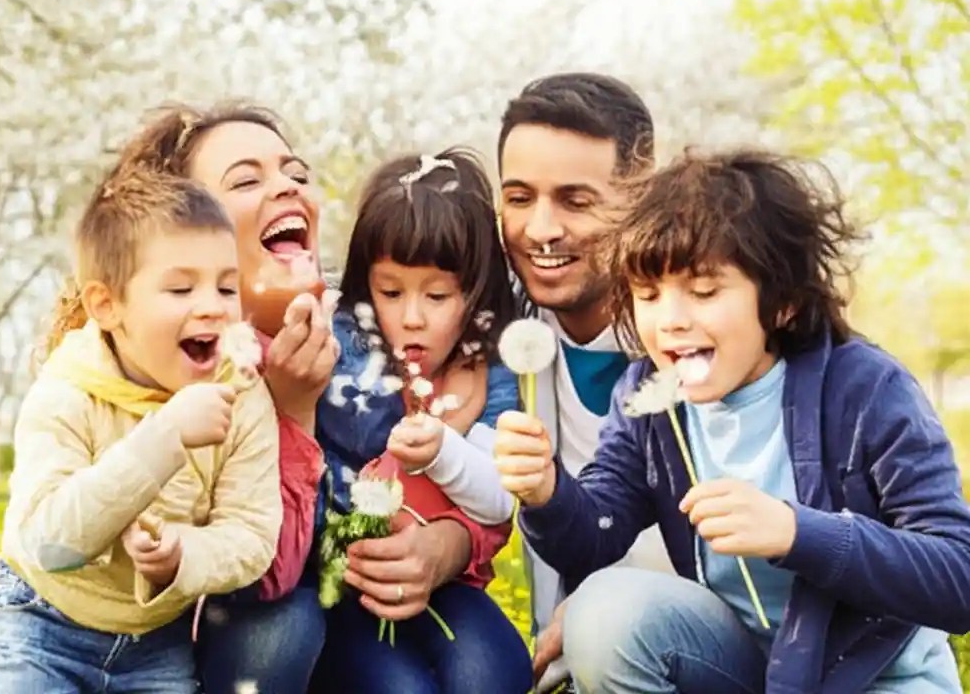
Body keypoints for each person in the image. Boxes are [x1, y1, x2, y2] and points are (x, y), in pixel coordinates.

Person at [495, 149, 970, 693]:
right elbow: (593, 538)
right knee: (605, 612)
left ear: (783, 301)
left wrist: (798, 533)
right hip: (739, 666)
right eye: (648, 295)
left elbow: (959, 574)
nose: (670, 321)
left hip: (870, 677)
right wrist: (547, 491)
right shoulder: (652, 399)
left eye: (703, 292)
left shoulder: (865, 389)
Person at [0, 166, 281, 692]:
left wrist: (181, 555)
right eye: (181, 287)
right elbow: (50, 542)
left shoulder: (243, 396)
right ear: (106, 305)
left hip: (155, 643)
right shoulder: (66, 392)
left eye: (227, 287)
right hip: (43, 624)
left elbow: (252, 534)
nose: (211, 305)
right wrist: (165, 437)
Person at [114, 103, 337, 693]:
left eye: (296, 173)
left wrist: (296, 407)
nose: (288, 186)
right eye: (247, 179)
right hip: (133, 633)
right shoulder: (145, 359)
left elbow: (280, 569)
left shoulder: (337, 343)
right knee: (283, 626)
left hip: (262, 611)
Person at [311, 147, 531, 693]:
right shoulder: (340, 345)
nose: (410, 318)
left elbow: (497, 500)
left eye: (437, 295)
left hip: (442, 585)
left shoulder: (490, 373)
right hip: (337, 585)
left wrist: (441, 446)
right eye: (390, 292)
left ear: (475, 292)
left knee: (494, 670)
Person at [496, 72, 672, 688]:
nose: (541, 229)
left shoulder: (700, 331)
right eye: (519, 198)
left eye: (576, 200)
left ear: (641, 197)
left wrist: (611, 604)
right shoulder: (493, 319)